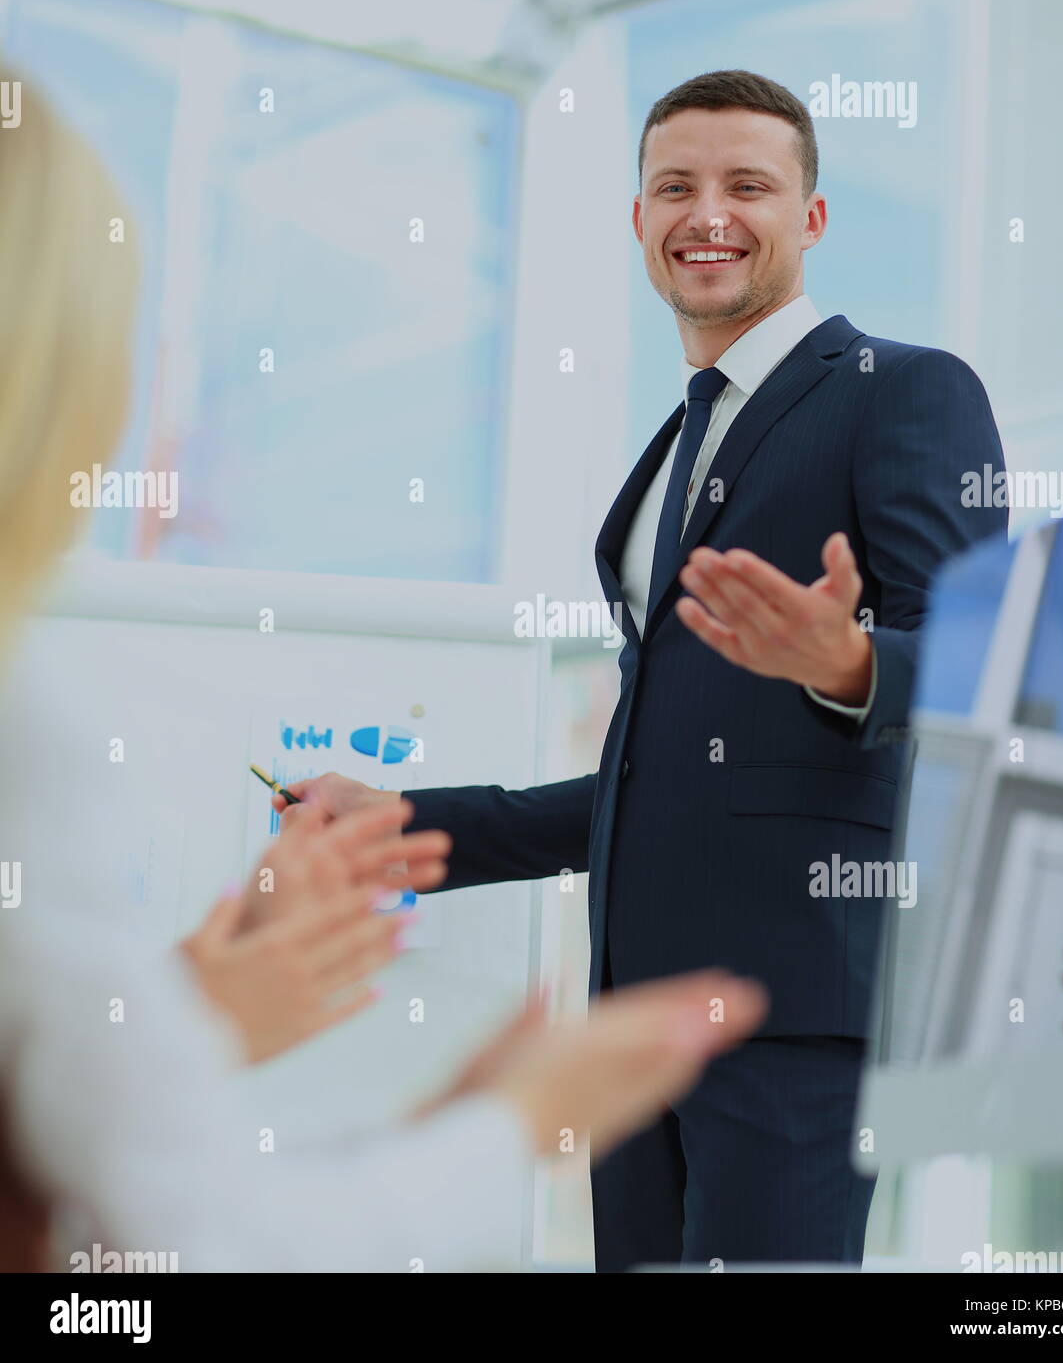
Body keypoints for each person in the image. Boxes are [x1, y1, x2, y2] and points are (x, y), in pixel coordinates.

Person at [0, 65, 768, 1271]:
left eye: (744, 186)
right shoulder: (24, 735)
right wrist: (516, 1118)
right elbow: (184, 1251)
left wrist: (160, 1022)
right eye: (673, 184)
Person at [285, 69, 1009, 1270]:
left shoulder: (904, 392)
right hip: (633, 1025)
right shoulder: (678, 441)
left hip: (795, 1023)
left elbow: (981, 679)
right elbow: (647, 783)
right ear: (636, 219)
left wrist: (845, 661)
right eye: (674, 186)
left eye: (748, 186)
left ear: (811, 219)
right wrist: (397, 826)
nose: (705, 214)